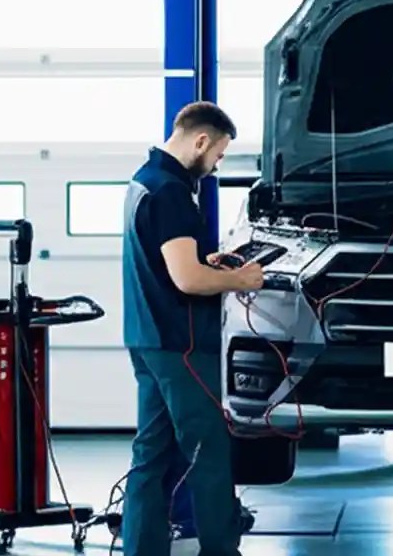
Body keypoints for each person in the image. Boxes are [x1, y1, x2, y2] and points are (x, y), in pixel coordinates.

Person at [119, 101, 265, 556]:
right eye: (219, 155)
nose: (216, 164)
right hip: (180, 345)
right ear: (201, 141)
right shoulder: (172, 192)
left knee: (151, 455)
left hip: (147, 339)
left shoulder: (142, 182)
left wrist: (207, 263)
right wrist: (240, 278)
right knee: (210, 454)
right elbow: (188, 280)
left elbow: (171, 265)